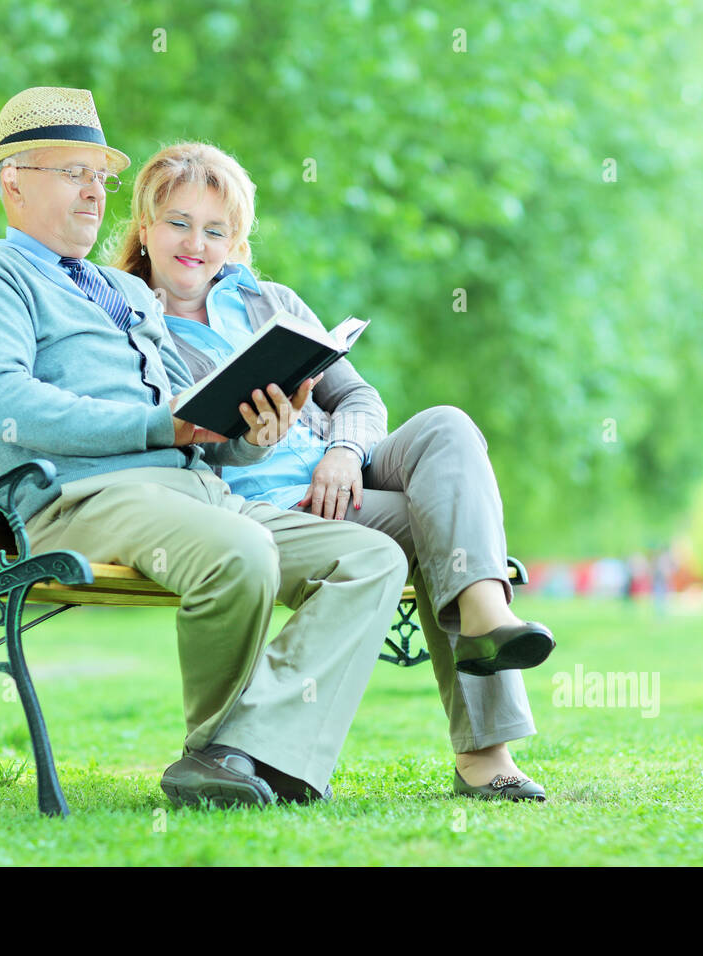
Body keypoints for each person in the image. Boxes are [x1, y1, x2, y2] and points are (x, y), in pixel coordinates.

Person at [0, 86, 411, 808]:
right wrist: (167, 429)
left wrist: (253, 435)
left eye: (101, 177)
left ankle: (241, 754)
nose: (95, 193)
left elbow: (193, 433)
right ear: (14, 180)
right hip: (81, 499)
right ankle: (220, 754)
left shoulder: (117, 289)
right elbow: (6, 405)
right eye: (74, 173)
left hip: (194, 492)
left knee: (371, 557)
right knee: (241, 552)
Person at [110, 142, 558, 801]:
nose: (195, 245)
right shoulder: (132, 323)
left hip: (343, 475)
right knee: (445, 532)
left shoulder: (270, 300)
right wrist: (259, 440)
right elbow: (174, 451)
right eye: (178, 223)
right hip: (266, 504)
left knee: (449, 427)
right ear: (145, 228)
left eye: (216, 230)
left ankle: (488, 618)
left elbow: (357, 397)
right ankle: (485, 753)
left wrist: (345, 453)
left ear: (236, 240)